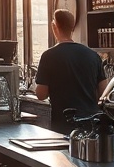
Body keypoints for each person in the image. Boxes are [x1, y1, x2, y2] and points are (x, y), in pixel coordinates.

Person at [34, 8, 108, 136]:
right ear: (73, 27)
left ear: (54, 26)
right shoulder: (93, 55)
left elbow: (41, 94)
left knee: (64, 155)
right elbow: (103, 92)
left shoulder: (48, 56)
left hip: (64, 123)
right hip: (92, 123)